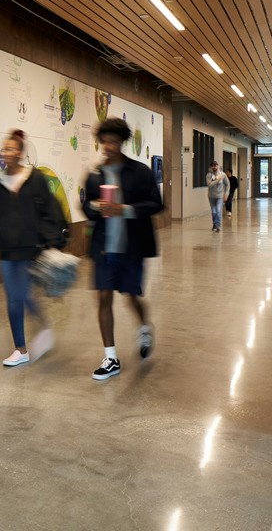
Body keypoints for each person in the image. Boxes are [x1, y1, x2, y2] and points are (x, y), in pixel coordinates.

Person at [81, 117, 164, 381]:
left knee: (130, 295)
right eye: (105, 141)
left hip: (131, 248)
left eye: (114, 141)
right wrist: (95, 207)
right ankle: (110, 357)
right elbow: (85, 207)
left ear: (122, 142)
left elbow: (156, 204)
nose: (108, 146)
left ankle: (144, 327)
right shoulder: (94, 176)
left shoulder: (140, 172)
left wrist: (124, 210)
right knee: (104, 298)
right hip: (103, 248)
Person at [0, 129, 60, 367]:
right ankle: (22, 347)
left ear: (21, 153)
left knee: (19, 296)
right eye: (4, 149)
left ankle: (35, 336)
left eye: (11, 149)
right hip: (7, 249)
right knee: (15, 297)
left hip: (32, 249)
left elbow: (51, 210)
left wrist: (54, 241)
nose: (6, 153)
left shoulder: (36, 179)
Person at [206, 161, 230, 232]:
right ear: (211, 167)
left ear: (218, 166)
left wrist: (226, 194)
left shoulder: (223, 175)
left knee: (218, 210)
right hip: (211, 196)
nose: (214, 167)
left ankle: (217, 225)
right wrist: (218, 180)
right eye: (212, 166)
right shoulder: (209, 175)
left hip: (220, 196)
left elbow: (227, 185)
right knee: (214, 211)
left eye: (215, 165)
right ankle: (215, 224)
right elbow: (209, 185)